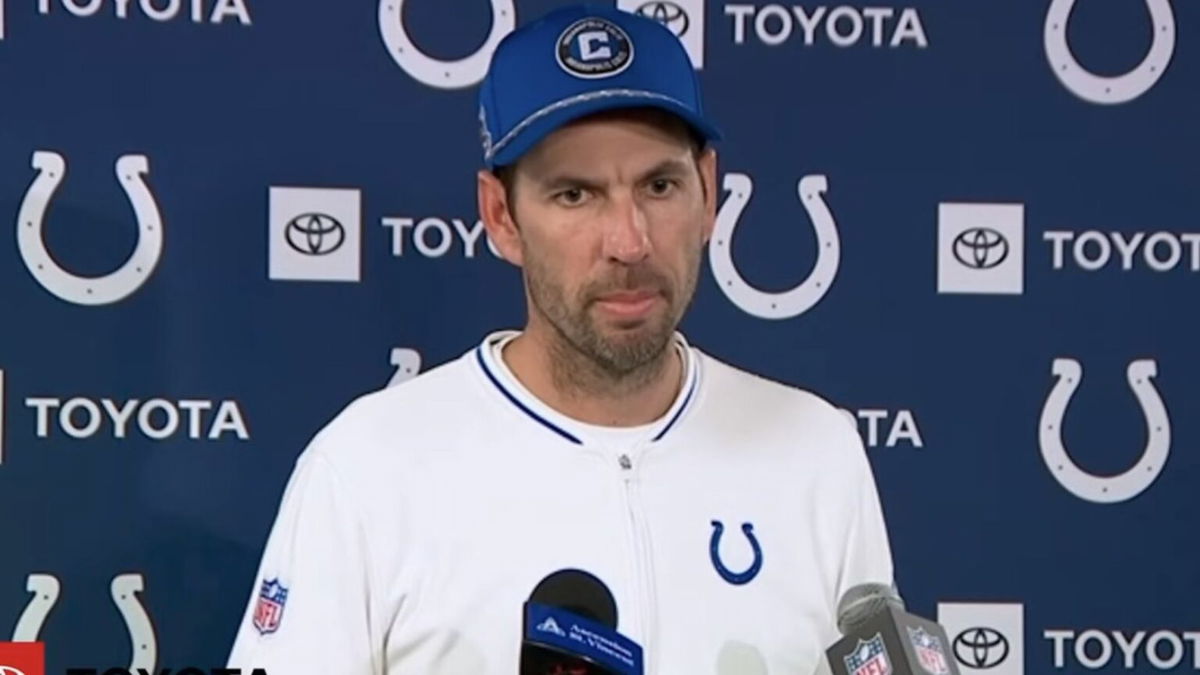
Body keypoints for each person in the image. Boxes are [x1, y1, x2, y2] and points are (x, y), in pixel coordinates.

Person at [226, 5, 893, 673]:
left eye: (660, 186)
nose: (629, 241)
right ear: (501, 216)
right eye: (576, 195)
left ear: (709, 193)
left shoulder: (816, 452)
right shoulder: (367, 467)